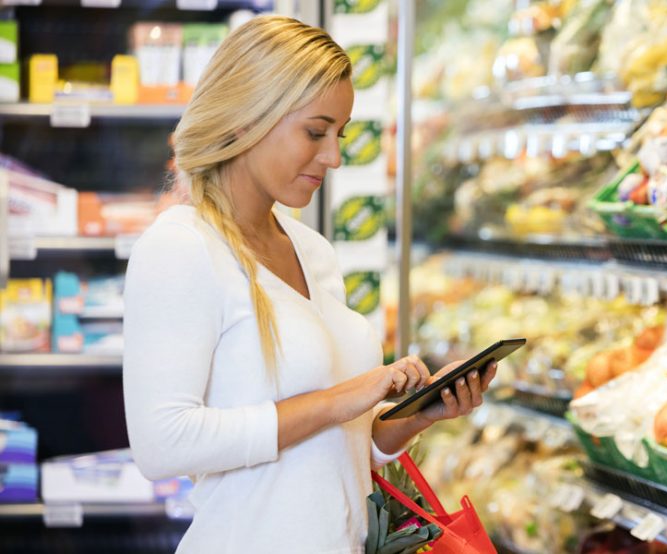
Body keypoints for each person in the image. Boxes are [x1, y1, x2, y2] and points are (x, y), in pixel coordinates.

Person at [122, 16, 496, 553]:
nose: (334, 157)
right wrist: (340, 399)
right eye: (315, 132)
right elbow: (163, 445)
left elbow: (331, 454)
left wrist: (412, 418)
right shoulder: (181, 246)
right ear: (247, 117)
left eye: (339, 134)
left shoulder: (312, 250)